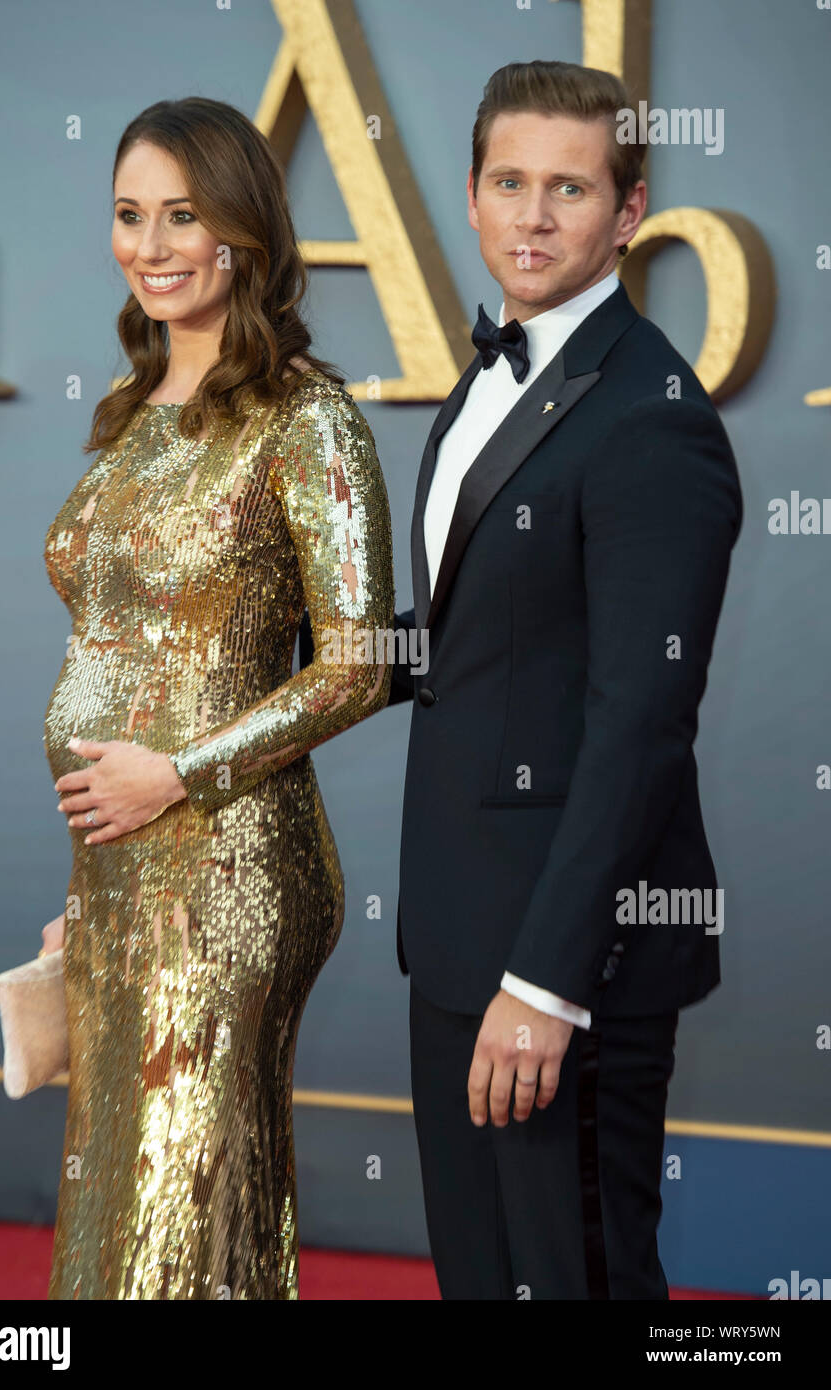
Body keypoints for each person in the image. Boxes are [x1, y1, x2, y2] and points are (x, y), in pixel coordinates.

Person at [385, 59, 742, 1299]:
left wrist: (543, 986)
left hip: (562, 964)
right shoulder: (491, 378)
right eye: (509, 182)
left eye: (569, 189)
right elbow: (458, 636)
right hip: (449, 934)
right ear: (474, 197)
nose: (532, 217)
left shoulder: (653, 415)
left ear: (629, 211)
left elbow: (640, 721)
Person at [40, 96, 394, 1300]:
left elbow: (362, 660)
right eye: (130, 215)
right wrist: (83, 885)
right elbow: (117, 665)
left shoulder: (307, 418)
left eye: (182, 215)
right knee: (116, 1198)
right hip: (120, 868)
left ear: (243, 229)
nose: (150, 243)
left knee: (177, 1211)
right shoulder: (132, 413)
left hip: (232, 870)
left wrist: (180, 775)